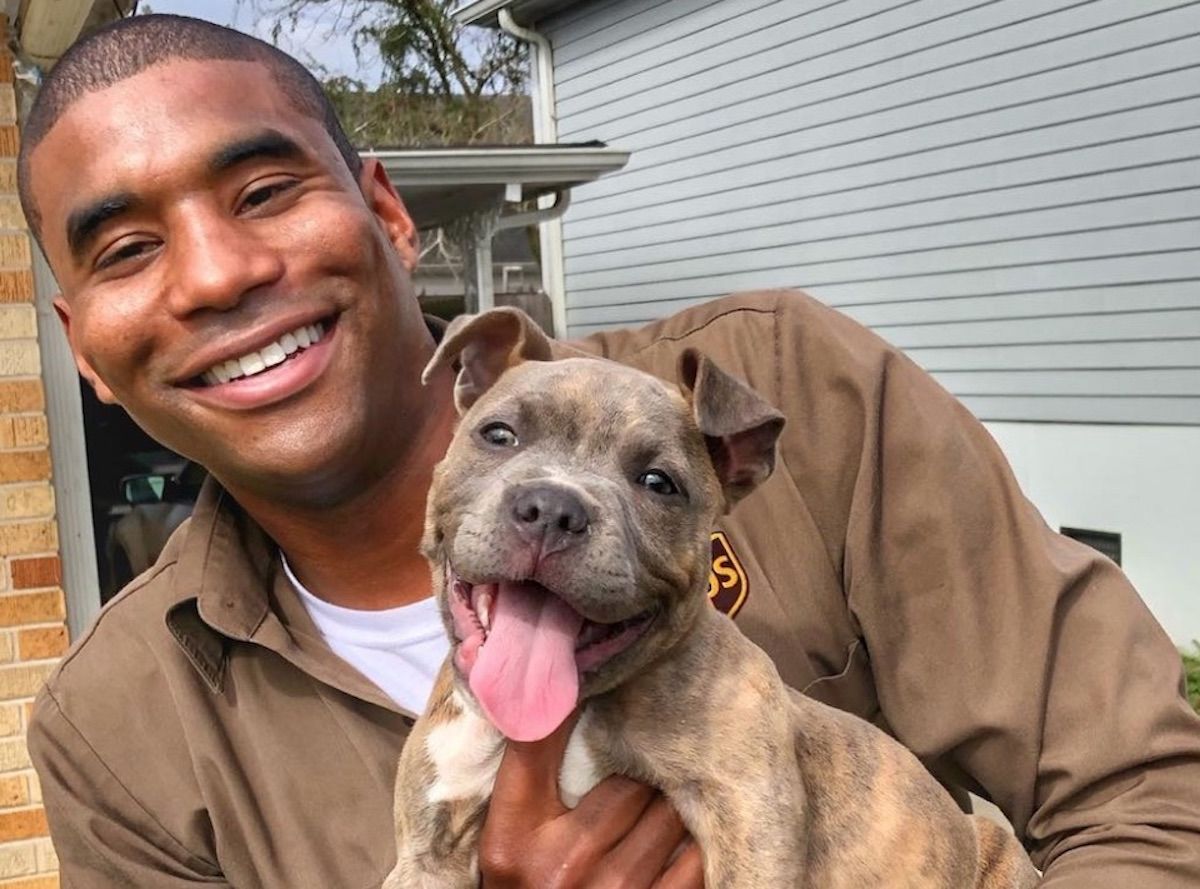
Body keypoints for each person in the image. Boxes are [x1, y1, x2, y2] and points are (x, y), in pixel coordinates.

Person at [18, 13, 1200, 889]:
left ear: (386, 213)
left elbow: (1149, 803)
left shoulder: (803, 397)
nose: (220, 274)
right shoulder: (117, 736)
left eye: (266, 189)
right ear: (80, 344)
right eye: (122, 249)